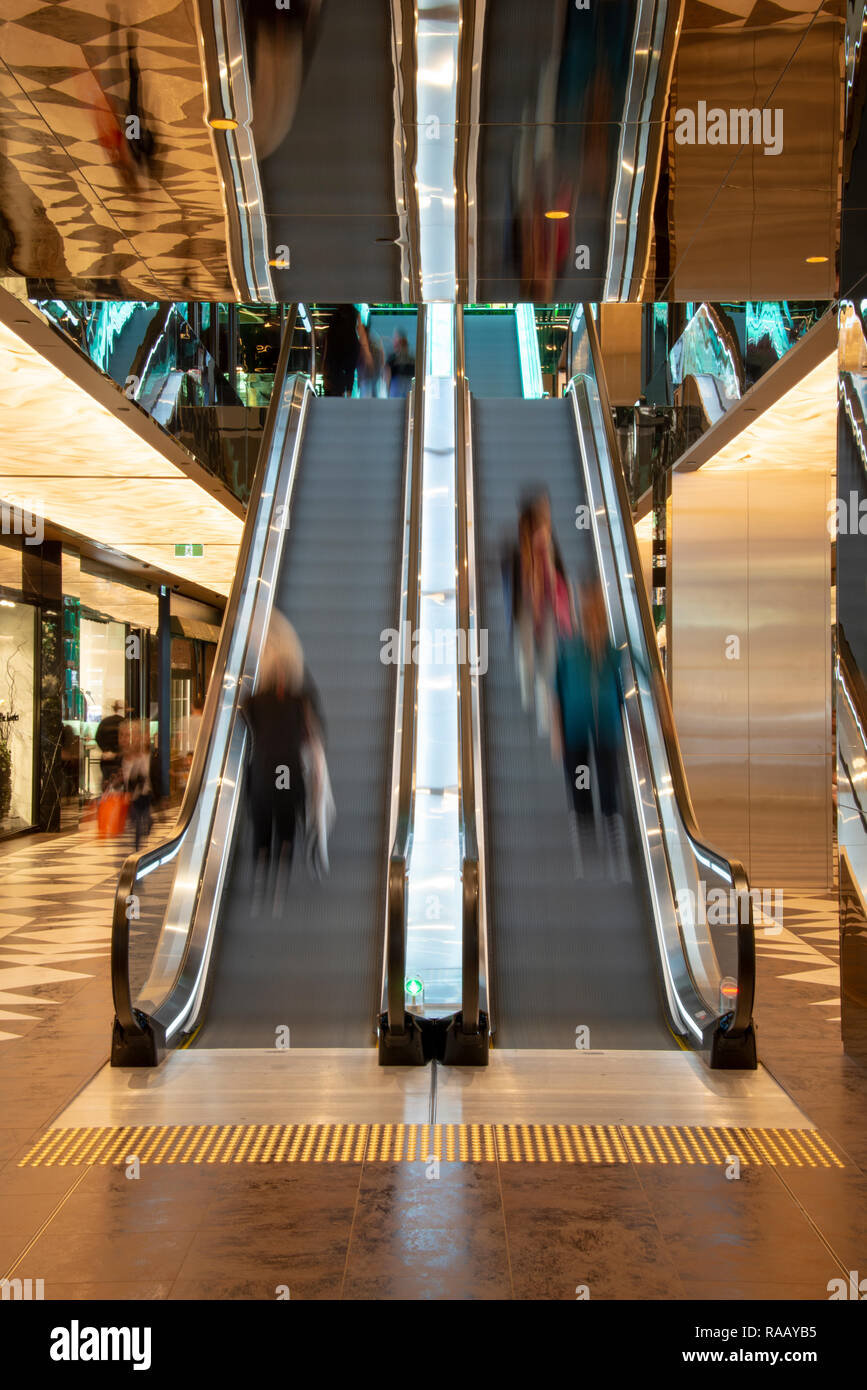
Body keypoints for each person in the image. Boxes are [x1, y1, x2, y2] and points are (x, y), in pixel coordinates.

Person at [240, 613, 327, 911]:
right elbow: (314, 733)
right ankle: (270, 883)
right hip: (276, 774)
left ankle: (270, 883)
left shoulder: (275, 702)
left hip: (275, 774)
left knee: (275, 828)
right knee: (274, 829)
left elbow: (313, 737)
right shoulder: (282, 702)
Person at [555, 579, 627, 879]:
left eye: (598, 621)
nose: (595, 627)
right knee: (582, 785)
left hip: (604, 731)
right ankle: (585, 849)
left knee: (608, 786)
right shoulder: (571, 652)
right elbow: (557, 692)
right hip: (577, 732)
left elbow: (627, 686)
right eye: (591, 621)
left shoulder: (613, 652)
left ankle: (615, 856)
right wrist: (558, 734)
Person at [122, 723, 153, 850]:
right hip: (135, 794)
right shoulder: (129, 757)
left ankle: (138, 847)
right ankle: (137, 848)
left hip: (144, 793)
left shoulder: (147, 756)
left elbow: (145, 775)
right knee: (137, 822)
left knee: (142, 819)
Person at [322, 304, 360, 397]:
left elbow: (328, 350)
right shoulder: (353, 340)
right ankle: (346, 399)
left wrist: (324, 372)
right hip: (342, 376)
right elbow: (350, 370)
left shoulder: (334, 322)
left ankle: (342, 396)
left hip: (333, 371)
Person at [95, 701, 125, 790]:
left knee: (106, 783)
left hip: (106, 759)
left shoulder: (105, 722)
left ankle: (107, 801)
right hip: (119, 760)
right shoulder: (124, 721)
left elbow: (98, 737)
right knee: (119, 787)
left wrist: (105, 750)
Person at [358, 319, 385, 397]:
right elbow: (382, 361)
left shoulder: (366, 348)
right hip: (373, 380)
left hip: (368, 380)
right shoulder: (376, 344)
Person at [385, 331, 414, 399]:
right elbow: (387, 376)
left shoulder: (392, 360)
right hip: (399, 391)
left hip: (401, 391)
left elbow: (387, 377)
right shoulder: (392, 360)